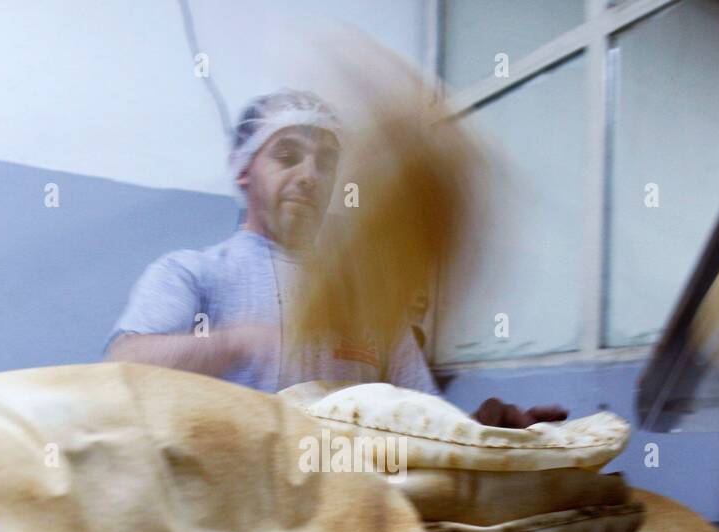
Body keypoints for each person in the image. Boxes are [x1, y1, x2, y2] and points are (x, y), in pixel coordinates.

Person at [105, 88, 564, 427]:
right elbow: (119, 369)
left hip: (357, 524)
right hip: (235, 525)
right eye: (288, 156)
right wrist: (240, 341)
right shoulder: (194, 274)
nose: (309, 175)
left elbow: (424, 419)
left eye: (325, 162)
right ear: (244, 169)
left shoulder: (370, 301)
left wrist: (484, 429)